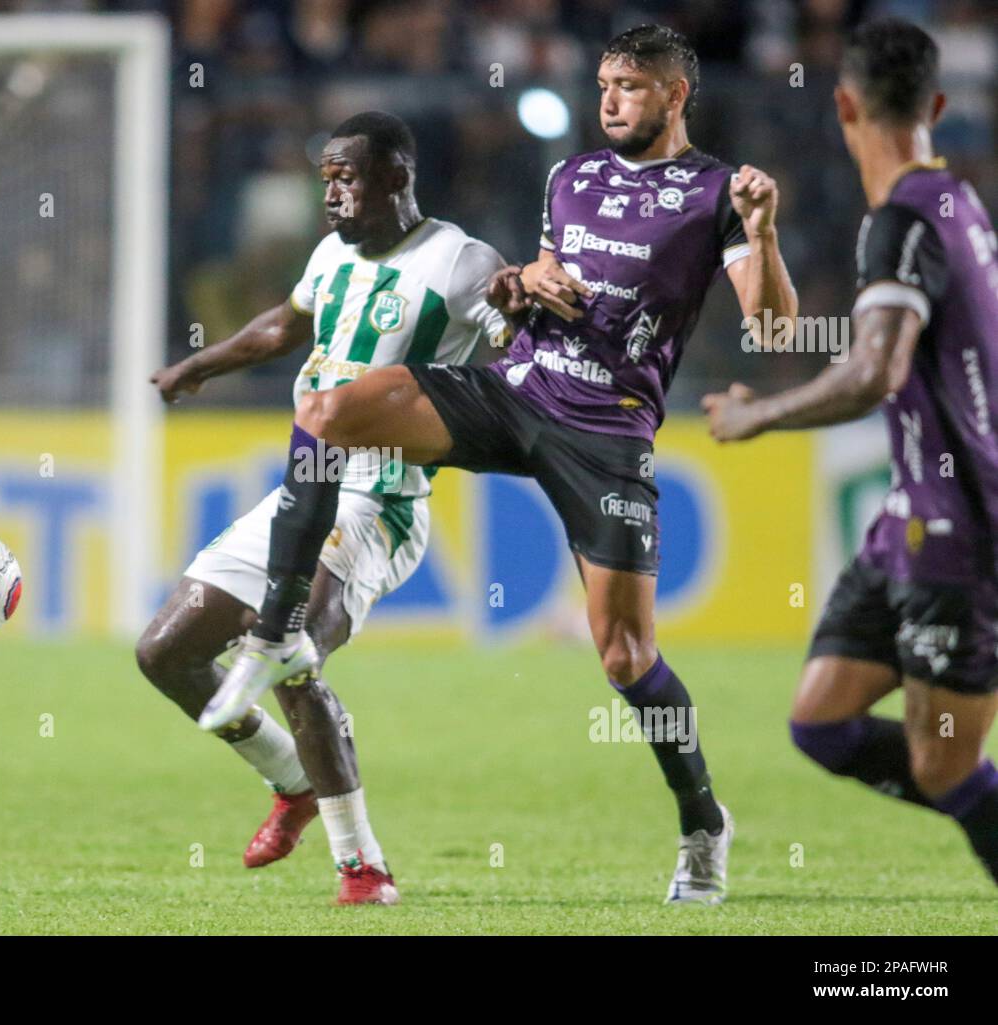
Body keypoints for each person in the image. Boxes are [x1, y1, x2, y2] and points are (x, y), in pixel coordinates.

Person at [204, 24, 798, 906]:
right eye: (605, 83)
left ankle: (703, 822)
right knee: (329, 408)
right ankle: (278, 628)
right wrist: (522, 280)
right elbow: (536, 289)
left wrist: (764, 231)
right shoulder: (573, 177)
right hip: (517, 389)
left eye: (631, 86)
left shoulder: (718, 193)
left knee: (626, 656)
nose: (610, 101)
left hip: (604, 430)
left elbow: (775, 329)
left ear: (676, 96)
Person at [137, 112, 510, 904]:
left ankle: (361, 865)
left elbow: (521, 343)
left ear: (397, 178)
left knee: (292, 644)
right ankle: (292, 780)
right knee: (165, 651)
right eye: (327, 180)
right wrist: (199, 366)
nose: (332, 194)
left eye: (347, 178)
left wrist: (530, 316)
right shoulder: (332, 253)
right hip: (304, 484)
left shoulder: (459, 260)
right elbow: (284, 325)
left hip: (380, 498)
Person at [704, 19, 998, 886]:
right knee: (822, 721)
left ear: (842, 106)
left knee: (943, 765)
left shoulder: (900, 222)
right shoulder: (962, 204)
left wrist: (760, 415)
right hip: (909, 522)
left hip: (959, 532)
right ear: (936, 107)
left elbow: (875, 370)